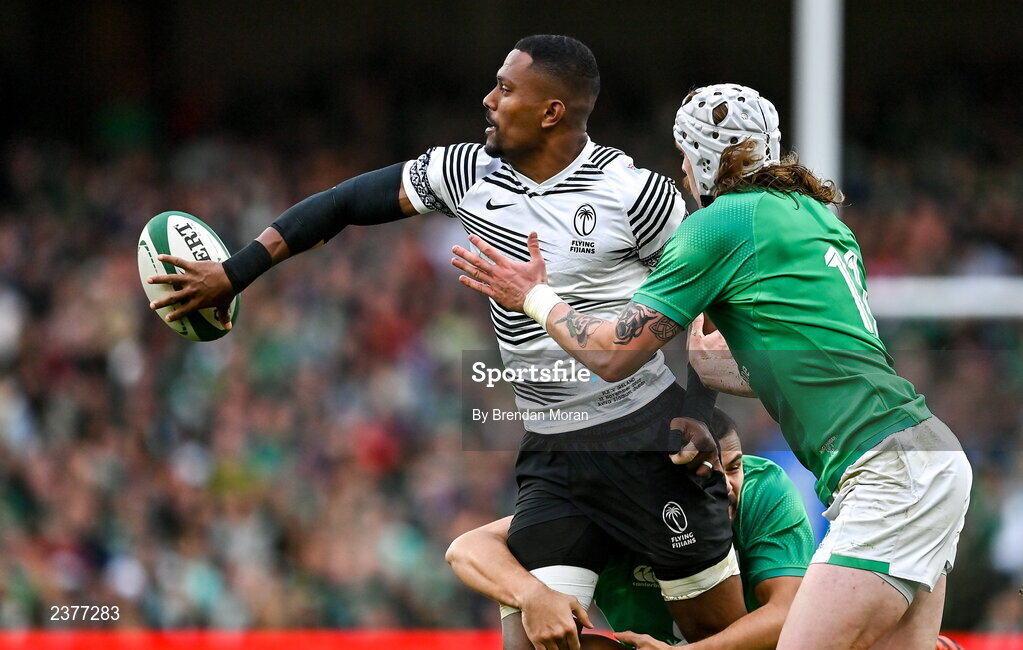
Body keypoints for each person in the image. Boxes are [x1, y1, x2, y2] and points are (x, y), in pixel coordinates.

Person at [147, 37, 745, 647]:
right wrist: (234, 273)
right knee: (532, 638)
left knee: (715, 637)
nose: (488, 100)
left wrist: (700, 415)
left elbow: (714, 303)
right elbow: (342, 204)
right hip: (554, 453)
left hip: (646, 441)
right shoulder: (467, 172)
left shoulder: (634, 195)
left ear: (552, 112)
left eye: (506, 89)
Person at [451, 83, 973, 649]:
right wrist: (723, 371)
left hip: (886, 474)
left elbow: (608, 354)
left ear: (701, 159)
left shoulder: (722, 222)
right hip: (929, 457)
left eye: (683, 157)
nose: (680, 174)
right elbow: (827, 367)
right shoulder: (818, 219)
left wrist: (534, 295)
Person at [447, 407, 814, 649]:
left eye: (733, 466)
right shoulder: (609, 497)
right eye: (702, 471)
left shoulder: (764, 489)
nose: (724, 483)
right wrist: (531, 595)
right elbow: (467, 547)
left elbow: (789, 615)